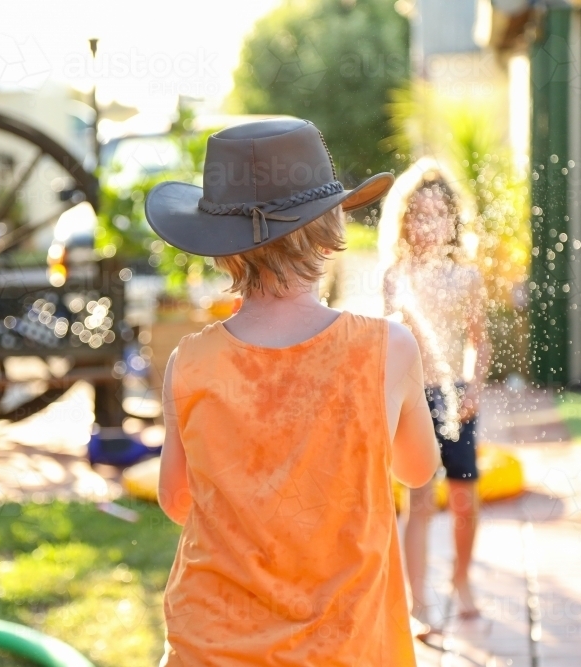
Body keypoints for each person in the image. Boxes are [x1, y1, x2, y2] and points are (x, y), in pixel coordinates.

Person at [145, 118, 441, 665]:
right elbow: (417, 470)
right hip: (345, 645)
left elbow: (177, 499)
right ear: (330, 228)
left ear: (220, 248)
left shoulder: (190, 362)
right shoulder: (390, 349)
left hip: (211, 645)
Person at [378, 158, 492, 629]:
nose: (428, 225)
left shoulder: (466, 278)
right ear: (404, 221)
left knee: (465, 496)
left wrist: (475, 388)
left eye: (437, 215)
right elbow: (386, 345)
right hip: (413, 400)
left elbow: (479, 341)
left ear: (453, 221)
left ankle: (461, 578)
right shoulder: (394, 277)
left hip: (457, 395)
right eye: (418, 215)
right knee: (418, 500)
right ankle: (417, 600)